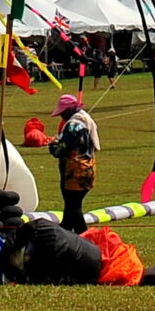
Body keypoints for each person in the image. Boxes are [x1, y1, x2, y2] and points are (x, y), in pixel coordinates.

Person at [48, 92, 100, 232]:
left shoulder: (73, 125)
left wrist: (53, 146)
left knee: (73, 208)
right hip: (87, 169)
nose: (61, 116)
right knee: (71, 208)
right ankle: (65, 234)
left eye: (63, 112)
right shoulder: (85, 119)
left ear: (69, 110)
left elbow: (61, 150)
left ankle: (84, 239)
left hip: (74, 172)